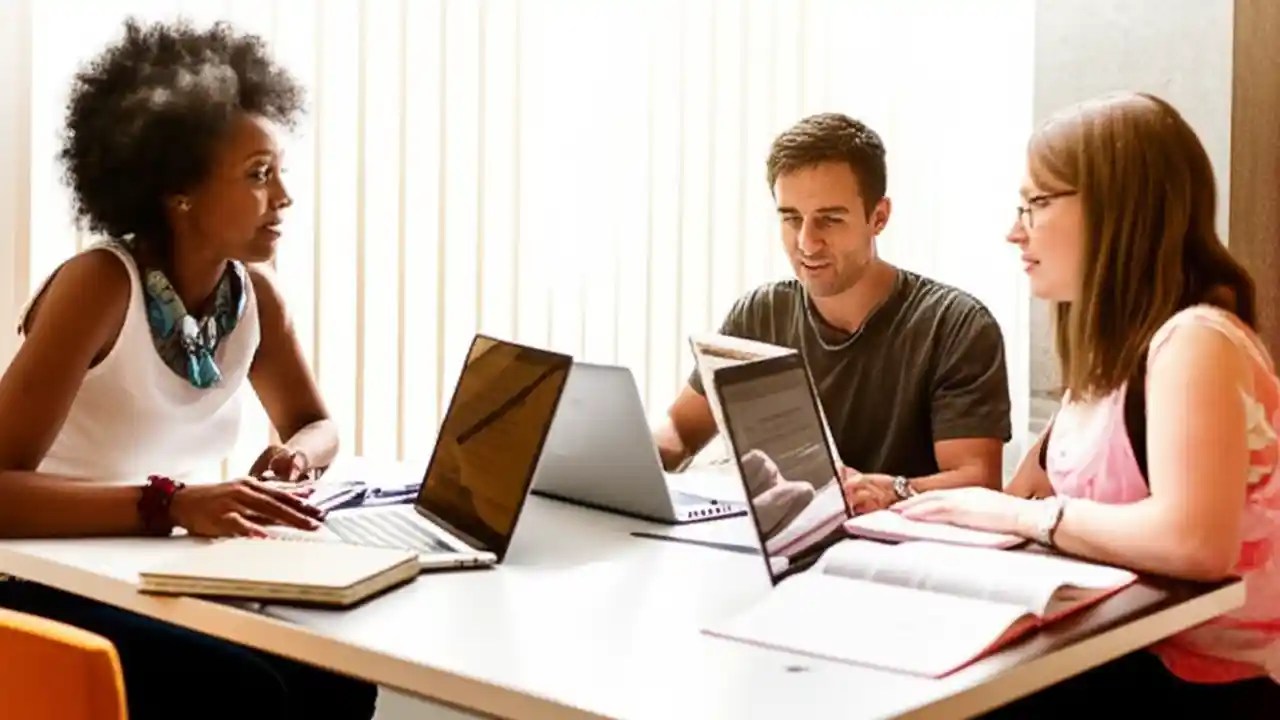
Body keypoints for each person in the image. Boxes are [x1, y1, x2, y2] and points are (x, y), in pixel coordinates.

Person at [0, 18, 377, 720]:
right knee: (245, 693)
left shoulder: (252, 296)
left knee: (337, 681)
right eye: (259, 175)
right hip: (33, 583)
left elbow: (316, 423)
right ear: (179, 191)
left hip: (140, 572)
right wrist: (170, 503)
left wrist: (296, 457)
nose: (284, 198)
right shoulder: (99, 286)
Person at [894, 92, 1280, 717]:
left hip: (1210, 685)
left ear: (1118, 208)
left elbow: (1194, 542)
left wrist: (1024, 518)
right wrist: (898, 502)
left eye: (1036, 204)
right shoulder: (1108, 363)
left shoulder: (1195, 340)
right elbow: (1016, 498)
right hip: (1123, 653)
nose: (1014, 230)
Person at [653, 112, 1013, 512]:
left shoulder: (955, 325)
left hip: (902, 551)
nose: (807, 243)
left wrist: (892, 491)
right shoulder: (759, 314)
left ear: (878, 217)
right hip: (782, 545)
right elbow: (681, 431)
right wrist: (635, 456)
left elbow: (977, 482)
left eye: (829, 219)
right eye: (791, 219)